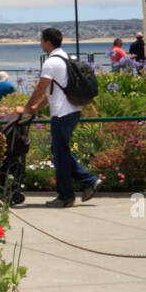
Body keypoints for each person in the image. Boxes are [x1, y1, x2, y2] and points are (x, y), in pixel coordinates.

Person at [18, 28, 101, 208]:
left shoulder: (51, 63)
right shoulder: (67, 58)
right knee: (60, 153)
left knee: (60, 155)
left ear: (47, 42)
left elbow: (41, 88)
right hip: (73, 110)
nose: (40, 43)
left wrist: (26, 108)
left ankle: (67, 196)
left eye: (41, 40)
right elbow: (52, 93)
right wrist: (35, 108)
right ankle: (87, 182)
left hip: (62, 113)